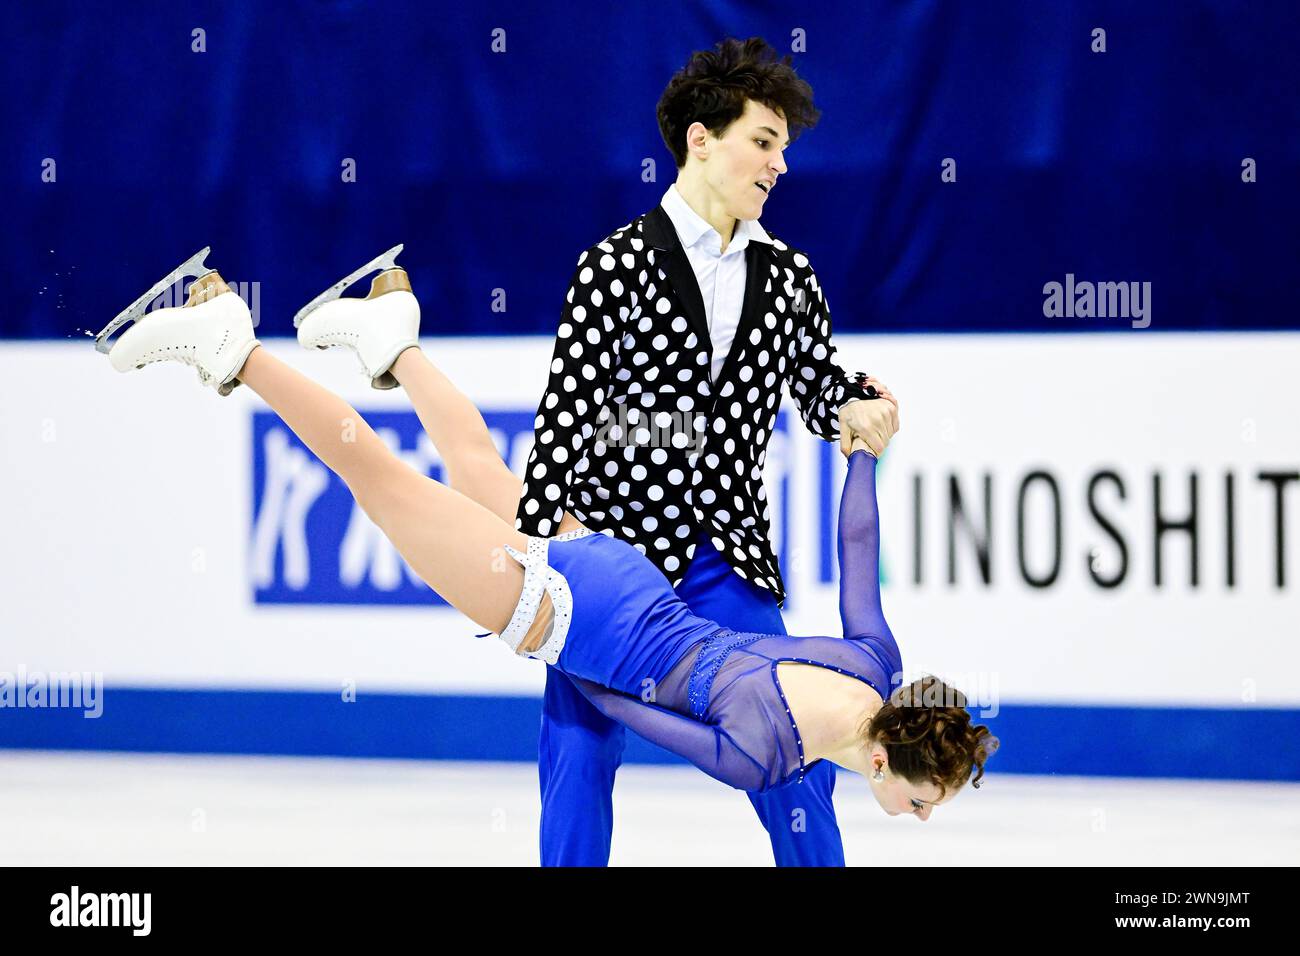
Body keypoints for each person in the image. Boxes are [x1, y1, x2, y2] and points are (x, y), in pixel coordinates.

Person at [96, 246, 998, 858]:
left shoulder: (876, 665)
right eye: (922, 802)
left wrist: (863, 457)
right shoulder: (772, 756)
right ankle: (234, 348)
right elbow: (631, 709)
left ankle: (394, 338)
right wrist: (552, 646)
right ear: (882, 764)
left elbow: (856, 548)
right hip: (572, 615)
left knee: (479, 468)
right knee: (378, 479)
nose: (917, 819)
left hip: (622, 572)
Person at [516, 36, 894, 866]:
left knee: (796, 757)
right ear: (701, 138)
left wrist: (855, 405)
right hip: (616, 562)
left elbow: (815, 383)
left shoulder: (790, 277)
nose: (779, 165)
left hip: (728, 563)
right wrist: (546, 551)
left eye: (784, 149)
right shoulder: (615, 265)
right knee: (577, 757)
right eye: (763, 142)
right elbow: (563, 422)